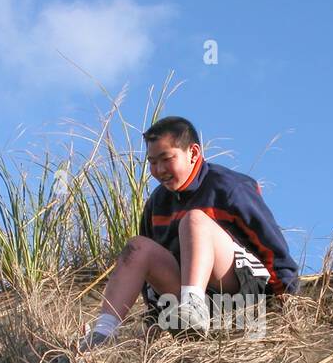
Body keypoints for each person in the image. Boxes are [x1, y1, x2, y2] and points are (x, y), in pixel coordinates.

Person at [79, 116, 299, 350]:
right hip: (186, 298)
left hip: (240, 295)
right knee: (137, 246)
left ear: (193, 153)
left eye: (166, 159)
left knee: (194, 220)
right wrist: (155, 317)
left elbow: (271, 245)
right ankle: (102, 334)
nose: (159, 170)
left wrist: (286, 297)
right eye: (153, 162)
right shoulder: (157, 203)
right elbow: (150, 274)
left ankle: (193, 306)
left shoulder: (230, 188)